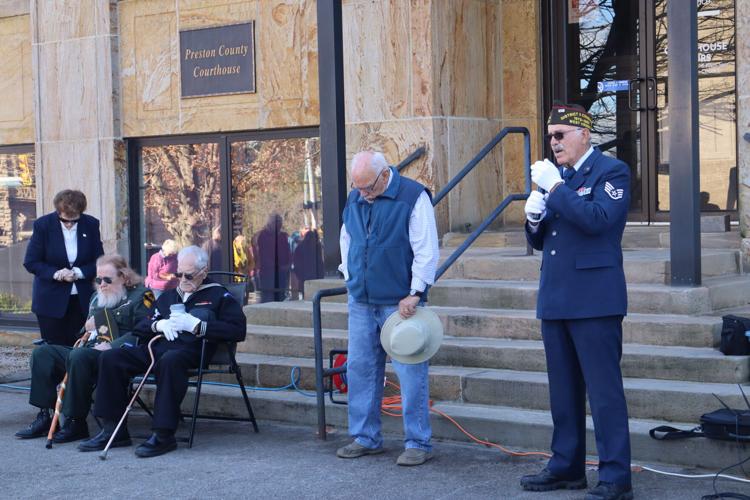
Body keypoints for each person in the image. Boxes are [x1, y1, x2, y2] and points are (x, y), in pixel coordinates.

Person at [521, 103, 632, 500]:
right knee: (563, 393)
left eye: (560, 134)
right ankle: (566, 466)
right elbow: (545, 239)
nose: (553, 143)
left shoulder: (610, 171)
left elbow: (599, 219)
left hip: (595, 300)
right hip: (557, 297)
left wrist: (554, 189)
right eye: (550, 136)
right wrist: (533, 219)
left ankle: (616, 477)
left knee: (604, 394)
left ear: (585, 134)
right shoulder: (562, 177)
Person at [80, 245, 246, 457]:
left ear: (204, 272)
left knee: (170, 360)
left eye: (189, 275)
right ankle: (113, 429)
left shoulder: (219, 295)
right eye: (178, 274)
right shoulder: (168, 296)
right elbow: (141, 326)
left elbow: (238, 330)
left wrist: (198, 326)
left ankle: (163, 434)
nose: (183, 279)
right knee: (112, 357)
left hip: (190, 351)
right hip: (156, 348)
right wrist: (158, 326)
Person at [336, 151, 439, 466]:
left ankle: (418, 442)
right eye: (358, 187)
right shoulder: (356, 197)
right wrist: (349, 275)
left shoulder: (413, 196)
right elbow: (347, 239)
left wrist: (416, 291)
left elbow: (426, 248)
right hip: (362, 298)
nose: (362, 193)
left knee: (411, 373)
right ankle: (366, 437)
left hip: (400, 301)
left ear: (384, 175)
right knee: (361, 369)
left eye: (367, 187)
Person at [14, 254, 152, 443]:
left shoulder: (142, 296)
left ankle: (75, 422)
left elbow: (142, 333)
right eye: (98, 279)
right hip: (86, 349)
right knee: (43, 353)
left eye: (107, 279)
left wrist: (112, 346)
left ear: (124, 277)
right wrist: (86, 327)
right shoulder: (96, 297)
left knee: (78, 356)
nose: (101, 284)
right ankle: (45, 416)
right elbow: (86, 332)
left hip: (115, 355)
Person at [23, 189, 104, 346]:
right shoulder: (43, 225)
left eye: (74, 220)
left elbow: (99, 261)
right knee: (54, 348)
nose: (69, 224)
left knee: (80, 346)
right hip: (50, 299)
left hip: (82, 298)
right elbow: (31, 262)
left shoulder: (91, 224)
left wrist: (78, 273)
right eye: (65, 220)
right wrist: (57, 273)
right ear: (58, 212)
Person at [253, 213, 291, 303]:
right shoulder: (262, 236)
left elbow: (288, 252)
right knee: (268, 298)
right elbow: (260, 255)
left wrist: (287, 265)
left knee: (280, 296)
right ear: (270, 223)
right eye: (276, 222)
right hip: (267, 273)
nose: (279, 225)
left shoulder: (283, 236)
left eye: (280, 223)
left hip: (282, 273)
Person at [292, 228, 324, 298]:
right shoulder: (306, 247)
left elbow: (320, 262)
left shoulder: (316, 247)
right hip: (308, 277)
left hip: (309, 277)